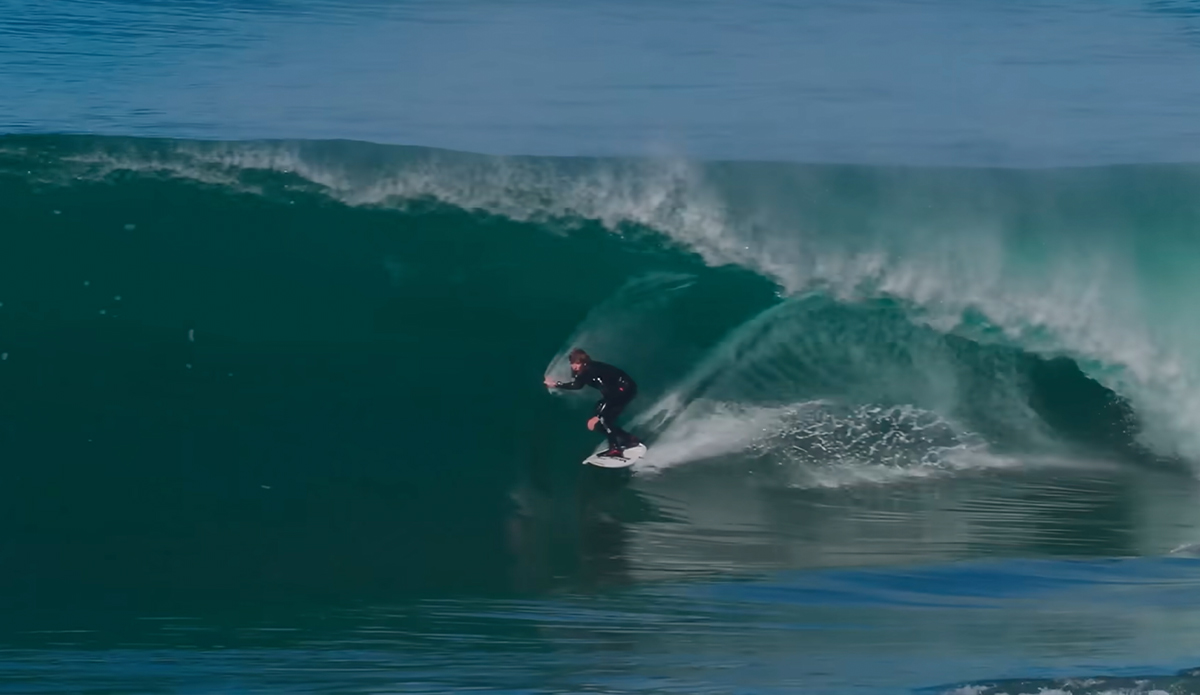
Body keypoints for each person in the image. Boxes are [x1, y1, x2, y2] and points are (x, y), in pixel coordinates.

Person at [544, 348, 641, 457]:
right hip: (614, 394)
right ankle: (629, 439)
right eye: (572, 363)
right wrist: (556, 384)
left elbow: (611, 394)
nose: (573, 366)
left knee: (602, 419)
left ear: (583, 362)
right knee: (598, 424)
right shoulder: (580, 371)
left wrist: (598, 416)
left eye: (577, 364)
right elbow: (577, 385)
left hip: (625, 389)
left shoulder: (594, 371)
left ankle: (615, 449)